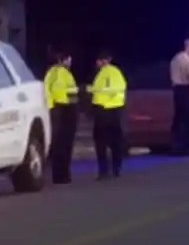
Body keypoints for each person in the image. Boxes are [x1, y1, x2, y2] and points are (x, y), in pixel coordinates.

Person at [88, 50, 128, 179]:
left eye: (99, 61)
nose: (97, 63)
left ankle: (106, 170)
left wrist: (93, 89)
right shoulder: (111, 72)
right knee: (113, 141)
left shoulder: (109, 72)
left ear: (104, 60)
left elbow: (111, 89)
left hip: (106, 111)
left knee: (102, 142)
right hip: (112, 110)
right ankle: (114, 168)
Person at [43, 50, 79, 185]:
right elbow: (60, 92)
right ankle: (61, 175)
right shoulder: (60, 73)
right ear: (63, 60)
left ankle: (62, 174)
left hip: (60, 110)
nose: (70, 62)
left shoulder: (54, 73)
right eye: (68, 59)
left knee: (61, 145)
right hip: (63, 110)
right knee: (63, 144)